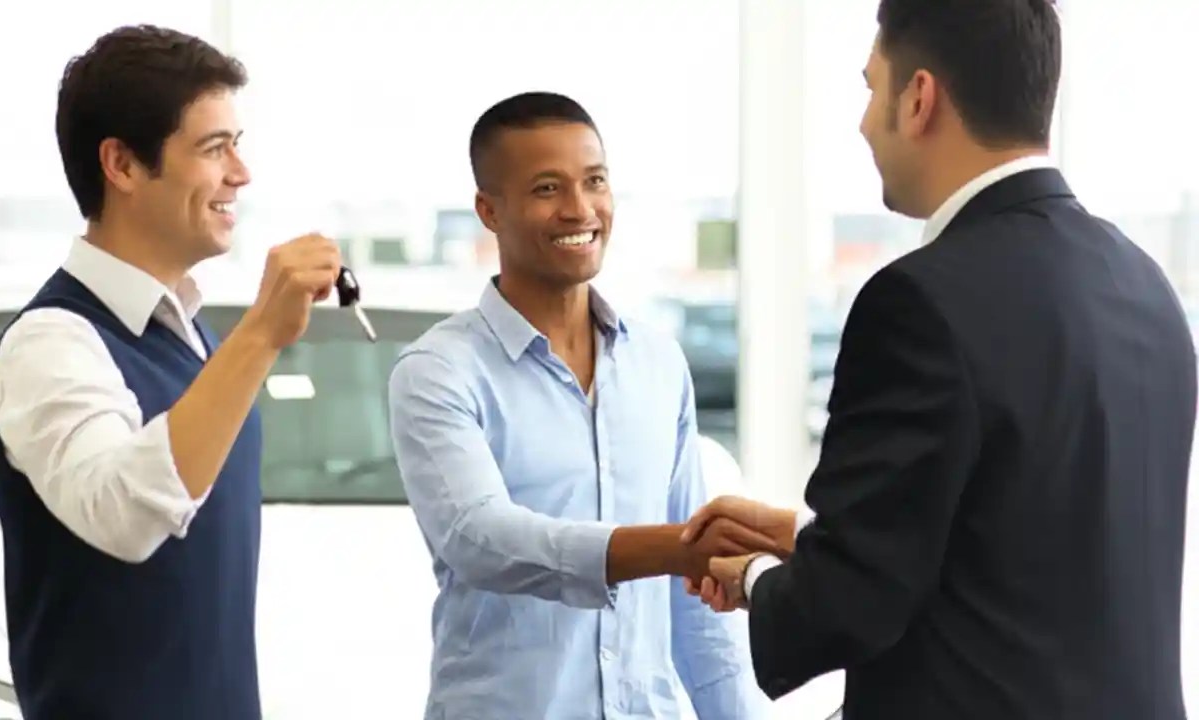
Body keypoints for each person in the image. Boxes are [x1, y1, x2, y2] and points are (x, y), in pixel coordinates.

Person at [682, 1, 1195, 718]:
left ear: (919, 97)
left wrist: (757, 578)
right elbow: (1023, 542)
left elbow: (849, 604)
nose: (863, 123)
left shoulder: (918, 303)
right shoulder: (1144, 283)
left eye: (870, 87)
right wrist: (806, 536)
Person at [0, 25, 342, 719]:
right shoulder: (51, 341)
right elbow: (125, 513)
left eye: (237, 144)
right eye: (214, 147)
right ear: (120, 164)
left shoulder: (191, 337)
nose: (241, 172)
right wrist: (261, 333)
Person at [387, 91, 773, 719]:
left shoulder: (657, 363)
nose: (580, 209)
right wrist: (674, 547)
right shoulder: (438, 371)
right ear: (489, 210)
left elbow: (694, 603)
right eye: (547, 188)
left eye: (594, 181)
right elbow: (480, 538)